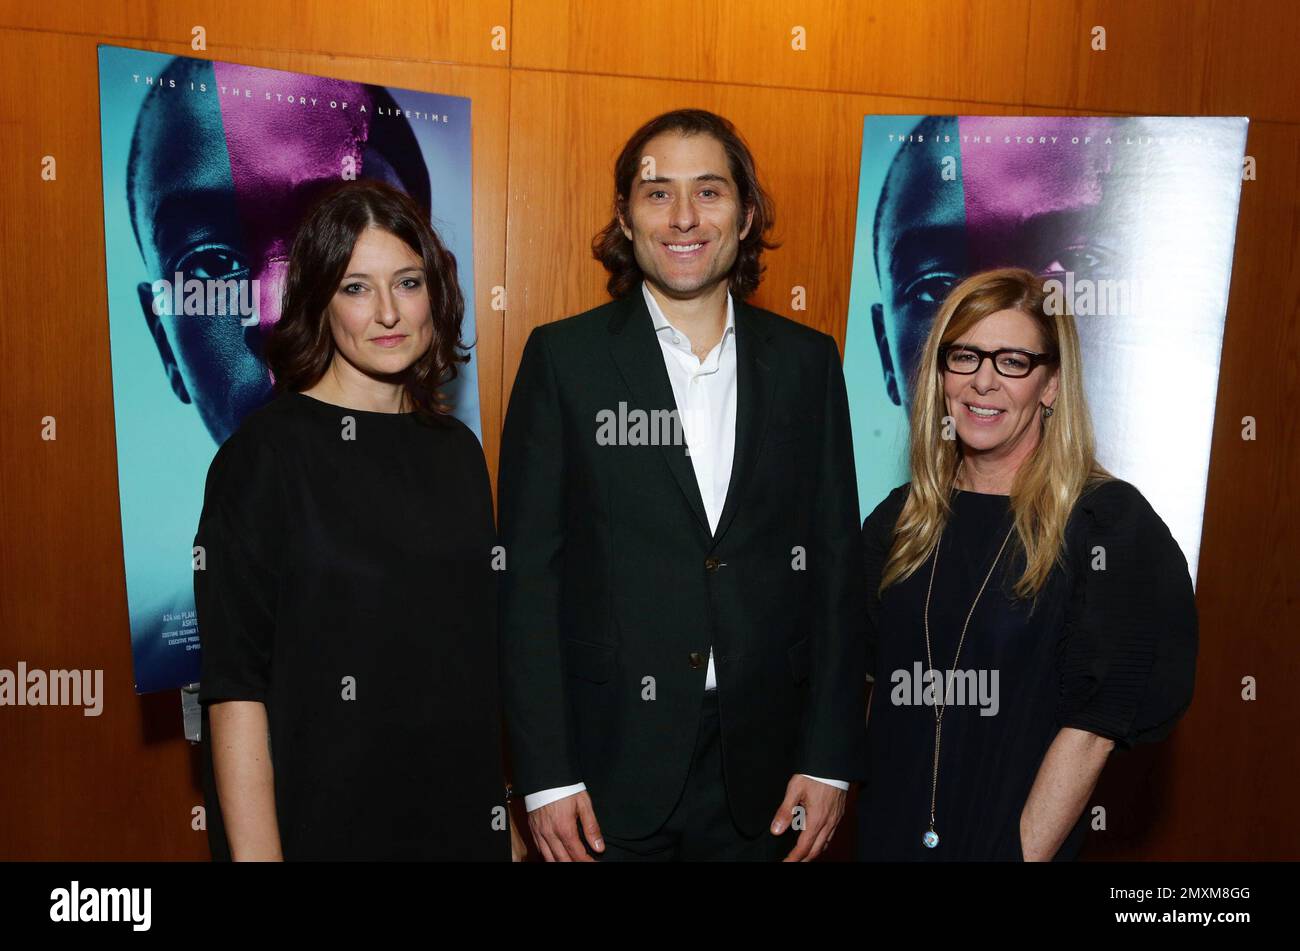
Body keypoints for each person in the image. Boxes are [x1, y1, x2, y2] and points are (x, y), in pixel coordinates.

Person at [499, 109, 867, 862]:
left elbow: (836, 569)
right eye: (657, 194)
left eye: (710, 191)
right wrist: (544, 776)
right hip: (604, 776)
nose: (685, 217)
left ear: (747, 214)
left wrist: (829, 754)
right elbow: (527, 581)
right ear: (626, 221)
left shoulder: (808, 364)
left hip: (765, 777)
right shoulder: (564, 362)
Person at [194, 179, 518, 861]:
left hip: (456, 819)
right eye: (355, 287)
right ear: (318, 302)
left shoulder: (456, 451)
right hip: (323, 823)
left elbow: (470, 658)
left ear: (435, 291)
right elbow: (234, 690)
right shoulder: (262, 458)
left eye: (406, 282)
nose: (388, 312)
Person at [858, 266, 1197, 861]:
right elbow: (854, 680)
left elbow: (1093, 730)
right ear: (940, 374)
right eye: (963, 356)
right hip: (889, 833)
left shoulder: (1107, 526)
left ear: (1050, 384)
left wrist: (1020, 856)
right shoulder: (901, 520)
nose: (983, 382)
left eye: (1012, 361)